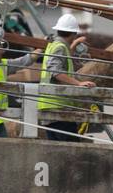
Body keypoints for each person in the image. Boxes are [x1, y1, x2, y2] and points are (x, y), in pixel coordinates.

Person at [38, 13, 95, 141]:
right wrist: (78, 83)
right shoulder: (60, 47)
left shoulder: (54, 45)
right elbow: (55, 71)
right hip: (57, 107)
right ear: (73, 33)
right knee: (70, 148)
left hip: (49, 105)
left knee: (57, 151)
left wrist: (74, 45)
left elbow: (62, 60)